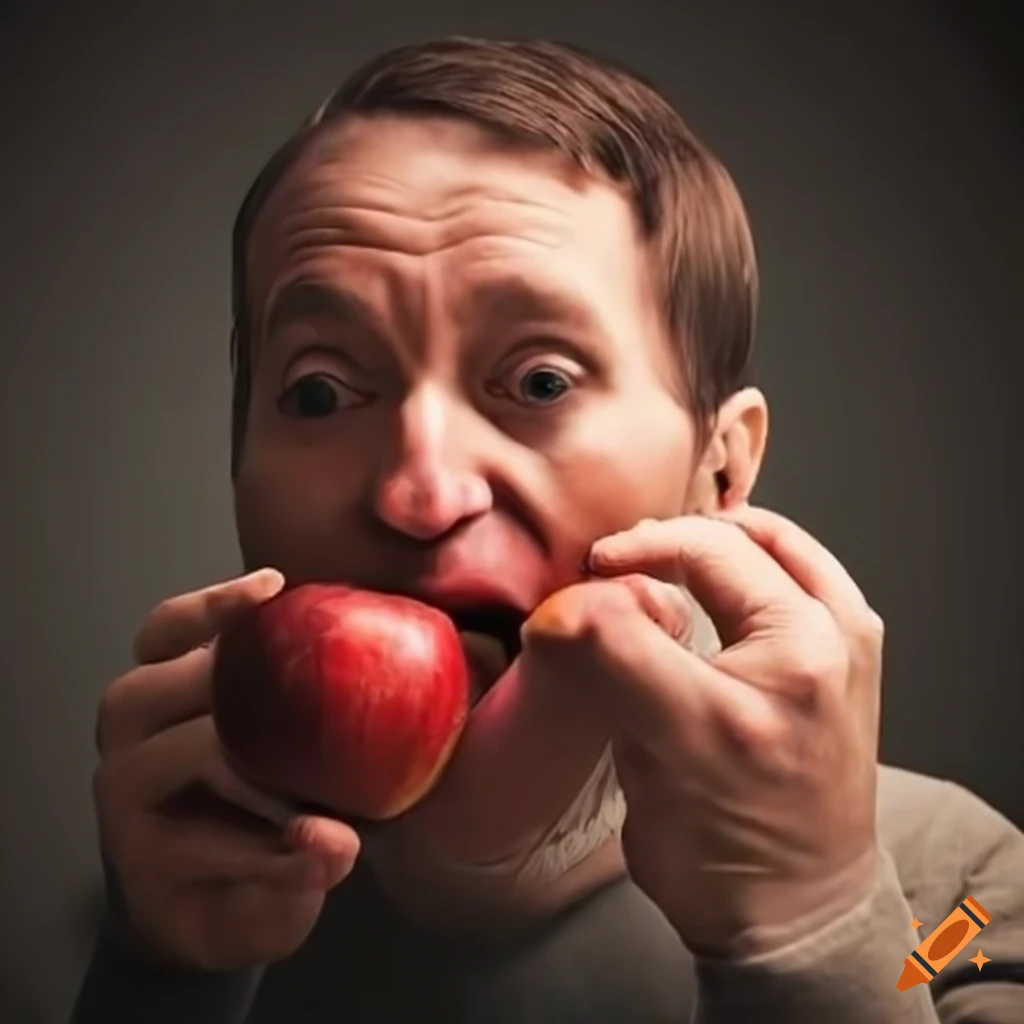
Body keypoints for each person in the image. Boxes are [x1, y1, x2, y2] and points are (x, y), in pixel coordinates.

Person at [71, 36, 1024, 1024]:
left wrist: (818, 933)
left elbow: (923, 977)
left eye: (539, 381)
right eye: (318, 391)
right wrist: (158, 980)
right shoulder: (180, 899)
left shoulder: (953, 894)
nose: (421, 489)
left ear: (723, 466)